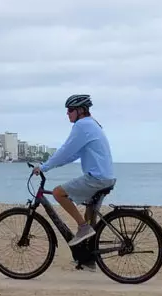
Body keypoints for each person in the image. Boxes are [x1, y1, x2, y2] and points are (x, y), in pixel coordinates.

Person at [31, 94, 114, 247]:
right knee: (89, 214)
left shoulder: (82, 125)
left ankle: (83, 229)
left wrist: (43, 167)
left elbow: (64, 151)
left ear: (81, 111)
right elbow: (72, 155)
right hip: (106, 177)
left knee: (58, 193)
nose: (67, 114)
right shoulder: (92, 124)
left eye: (70, 110)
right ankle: (88, 253)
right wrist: (51, 165)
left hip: (97, 178)